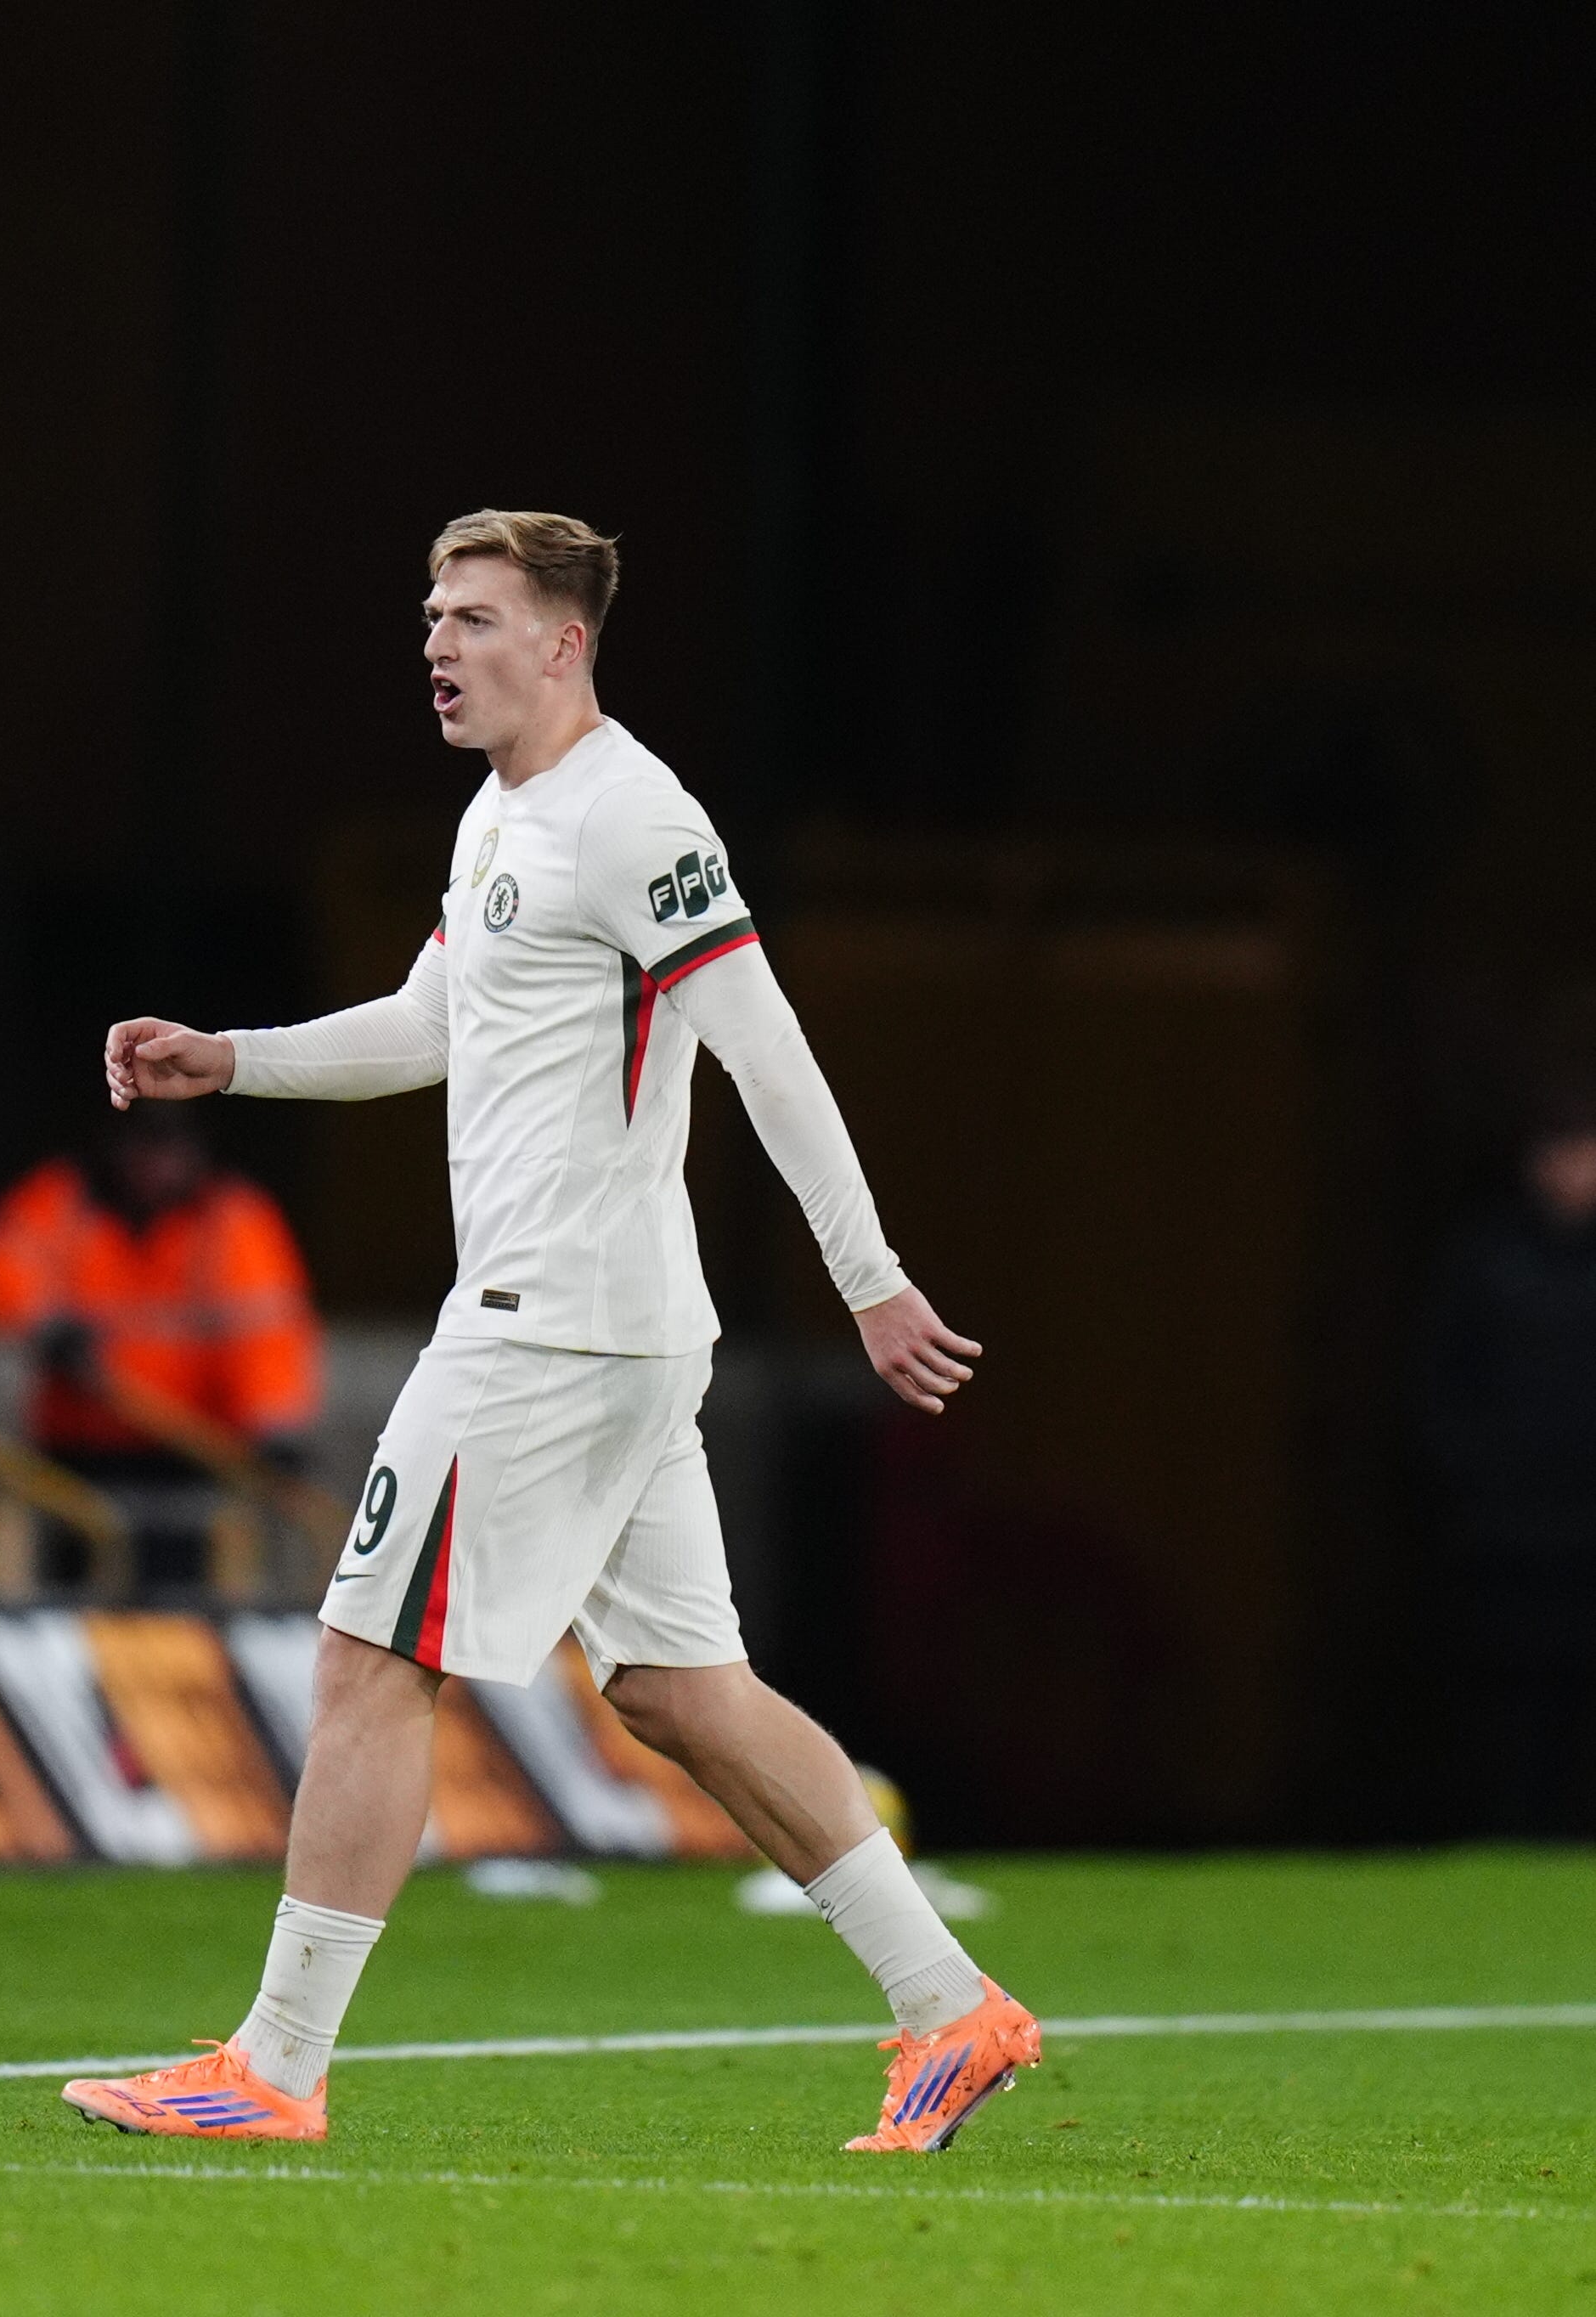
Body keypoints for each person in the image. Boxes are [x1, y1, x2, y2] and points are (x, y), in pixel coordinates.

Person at [60, 510, 1032, 2156]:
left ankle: (276, 2063)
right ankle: (954, 2007)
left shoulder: (632, 814)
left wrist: (867, 1273)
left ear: (564, 640)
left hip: (548, 1328)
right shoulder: (500, 813)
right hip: (610, 1328)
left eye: (475, 616)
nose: (438, 643)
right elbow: (429, 1023)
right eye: (432, 614)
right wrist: (230, 1058)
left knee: (371, 1650)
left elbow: (764, 1041)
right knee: (680, 1687)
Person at [0, 1104, 323, 1587]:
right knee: (74, 1597)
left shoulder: (232, 1222)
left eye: (170, 1146)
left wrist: (276, 1429)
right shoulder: (65, 1201)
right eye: (145, 1145)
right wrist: (45, 1325)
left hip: (186, 1461)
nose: (157, 1165)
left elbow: (267, 1336)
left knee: (177, 1602)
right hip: (76, 1459)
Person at [1417, 1077, 1596, 1835]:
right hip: (1506, 1537)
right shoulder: (1486, 1257)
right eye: (1569, 1154)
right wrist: (1475, 1484)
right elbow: (1438, 1383)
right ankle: (1497, 1832)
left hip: (1589, 1531)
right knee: (1505, 1706)